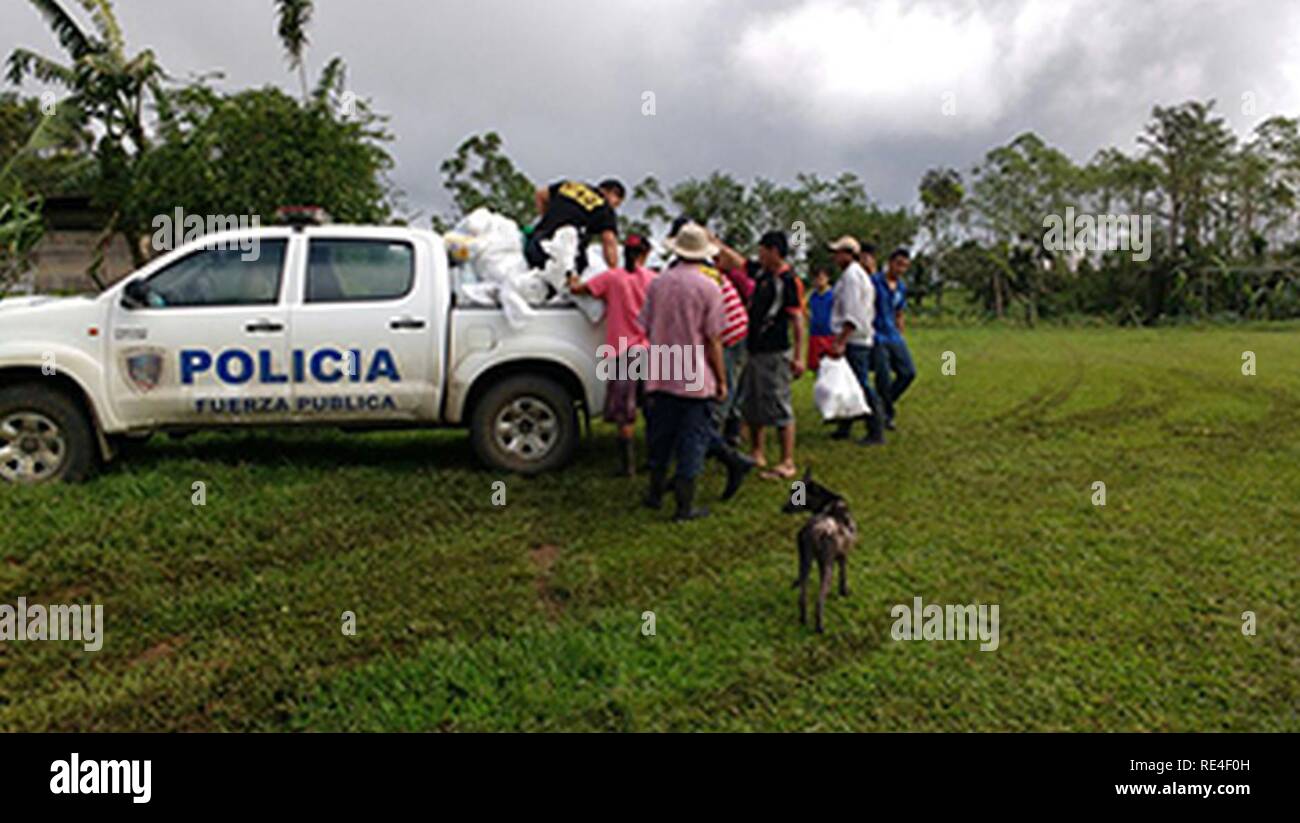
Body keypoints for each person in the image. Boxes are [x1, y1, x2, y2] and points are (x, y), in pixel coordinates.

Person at [638, 223, 729, 521]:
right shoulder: (709, 287)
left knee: (660, 437)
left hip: (662, 368)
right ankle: (684, 507)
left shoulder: (658, 283)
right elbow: (713, 338)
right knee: (692, 440)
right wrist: (721, 379)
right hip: (693, 374)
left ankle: (654, 494)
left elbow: (646, 326)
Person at [717, 230, 805, 480]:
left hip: (775, 351)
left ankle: (787, 461)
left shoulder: (788, 281)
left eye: (763, 251)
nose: (759, 255)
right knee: (753, 403)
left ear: (774, 251)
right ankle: (758, 452)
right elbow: (737, 260)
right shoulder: (763, 273)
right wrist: (712, 241)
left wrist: (799, 356)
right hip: (754, 349)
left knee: (778, 404)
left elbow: (797, 319)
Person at [568, 234, 656, 475]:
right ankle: (653, 460)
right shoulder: (653, 279)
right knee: (652, 409)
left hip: (623, 351)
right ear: (645, 254)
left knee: (624, 412)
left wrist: (571, 279)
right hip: (650, 350)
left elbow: (579, 289)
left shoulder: (612, 278)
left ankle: (627, 466)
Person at [826, 236, 885, 445]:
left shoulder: (851, 277)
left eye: (838, 252)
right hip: (858, 336)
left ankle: (876, 428)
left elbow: (852, 313)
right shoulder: (855, 275)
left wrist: (841, 340)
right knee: (847, 384)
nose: (835, 257)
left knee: (860, 385)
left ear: (849, 254)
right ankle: (846, 425)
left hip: (853, 339)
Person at [526, 179, 625, 272]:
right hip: (567, 255)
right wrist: (614, 271)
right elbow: (609, 240)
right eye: (617, 203)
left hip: (538, 242)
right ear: (613, 193)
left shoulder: (570, 186)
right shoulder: (604, 207)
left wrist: (546, 219)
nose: (615, 207)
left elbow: (541, 195)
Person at [871, 248, 917, 430]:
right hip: (876, 335)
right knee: (882, 377)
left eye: (905, 266)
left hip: (894, 336)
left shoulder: (901, 287)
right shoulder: (874, 282)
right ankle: (886, 416)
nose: (901, 269)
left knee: (908, 373)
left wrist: (901, 333)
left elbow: (899, 312)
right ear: (890, 262)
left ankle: (881, 406)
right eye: (898, 264)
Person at [805, 267, 835, 374]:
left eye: (821, 278)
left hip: (830, 334)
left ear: (827, 278)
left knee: (831, 366)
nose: (819, 281)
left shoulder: (833, 294)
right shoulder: (812, 295)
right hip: (815, 334)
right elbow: (804, 308)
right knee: (816, 367)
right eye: (816, 278)